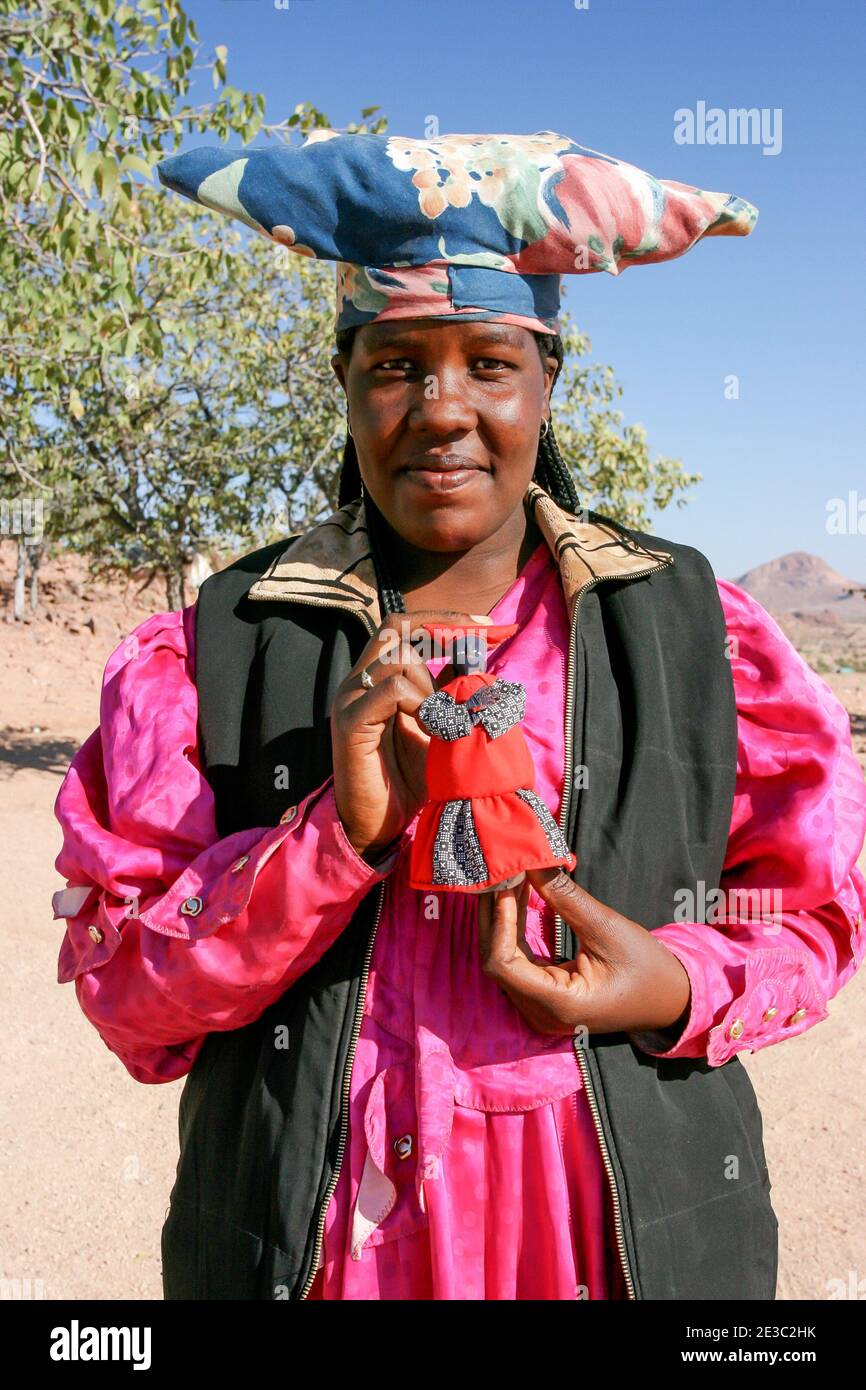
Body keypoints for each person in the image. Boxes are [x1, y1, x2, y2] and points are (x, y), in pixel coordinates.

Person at [53, 130, 866, 1301]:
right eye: (395, 365)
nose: (442, 409)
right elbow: (132, 1001)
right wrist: (335, 839)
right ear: (342, 382)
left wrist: (669, 982)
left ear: (547, 386)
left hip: (612, 1250)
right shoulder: (215, 643)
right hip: (312, 1257)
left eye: (490, 363)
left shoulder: (698, 631)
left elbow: (814, 920)